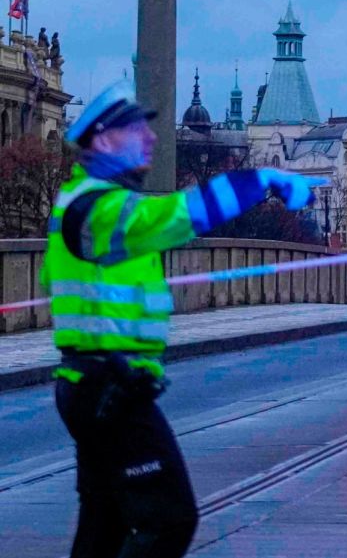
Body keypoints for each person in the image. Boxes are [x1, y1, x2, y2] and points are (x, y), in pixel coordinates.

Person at [42, 81, 321, 558]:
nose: (152, 139)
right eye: (137, 131)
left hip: (96, 384)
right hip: (108, 388)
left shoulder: (85, 202)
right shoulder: (97, 211)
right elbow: (178, 215)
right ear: (105, 141)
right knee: (168, 520)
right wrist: (264, 182)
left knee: (104, 526)